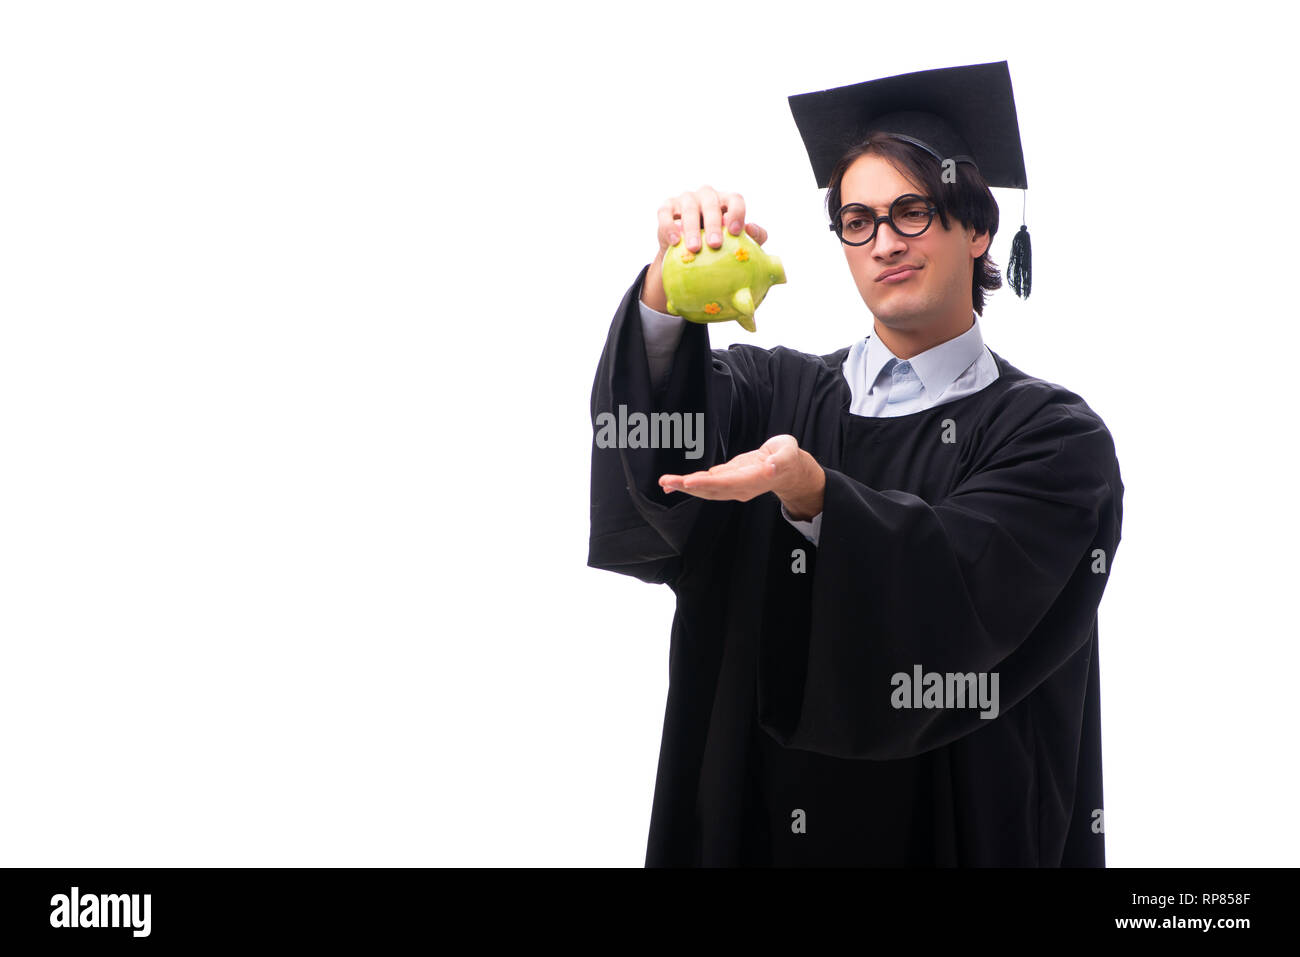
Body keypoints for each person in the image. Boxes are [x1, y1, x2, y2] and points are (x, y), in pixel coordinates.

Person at [587, 61, 1123, 866]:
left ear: (976, 230)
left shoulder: (1052, 439)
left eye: (913, 210)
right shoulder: (773, 392)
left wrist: (816, 499)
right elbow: (660, 449)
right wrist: (665, 296)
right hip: (755, 825)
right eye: (858, 219)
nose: (886, 241)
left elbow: (962, 589)